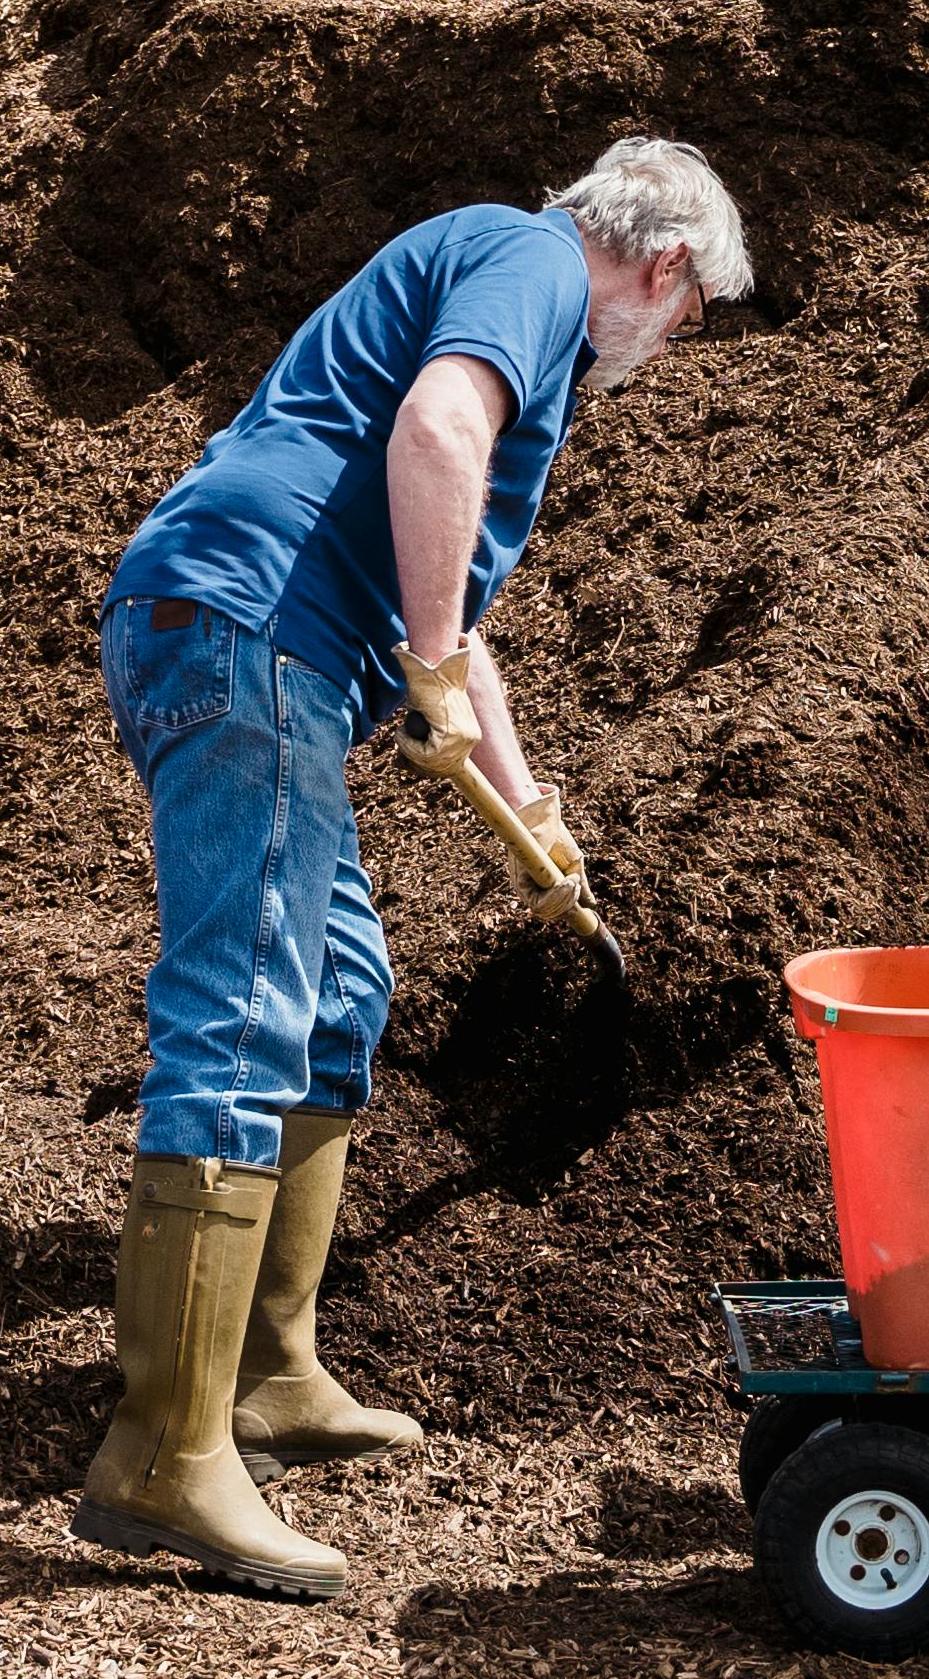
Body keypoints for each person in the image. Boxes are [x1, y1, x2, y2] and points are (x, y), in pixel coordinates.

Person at [74, 136, 755, 1598]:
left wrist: (530, 805)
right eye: (687, 319)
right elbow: (437, 438)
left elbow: (453, 602)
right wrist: (432, 662)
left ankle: (267, 1375)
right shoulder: (528, 263)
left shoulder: (510, 297)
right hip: (246, 631)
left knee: (338, 996)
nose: (664, 347)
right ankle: (162, 1455)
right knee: (248, 1006)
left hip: (260, 645)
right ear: (665, 266)